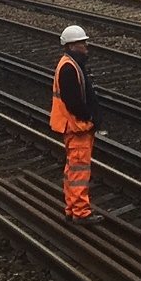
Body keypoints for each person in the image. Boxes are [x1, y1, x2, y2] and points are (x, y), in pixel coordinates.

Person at [50, 24, 101, 221]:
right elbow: (74, 101)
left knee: (72, 170)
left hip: (73, 125)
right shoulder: (69, 68)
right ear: (72, 46)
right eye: (82, 43)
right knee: (79, 170)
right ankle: (81, 213)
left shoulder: (69, 64)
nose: (86, 46)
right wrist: (89, 117)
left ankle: (72, 208)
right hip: (76, 126)